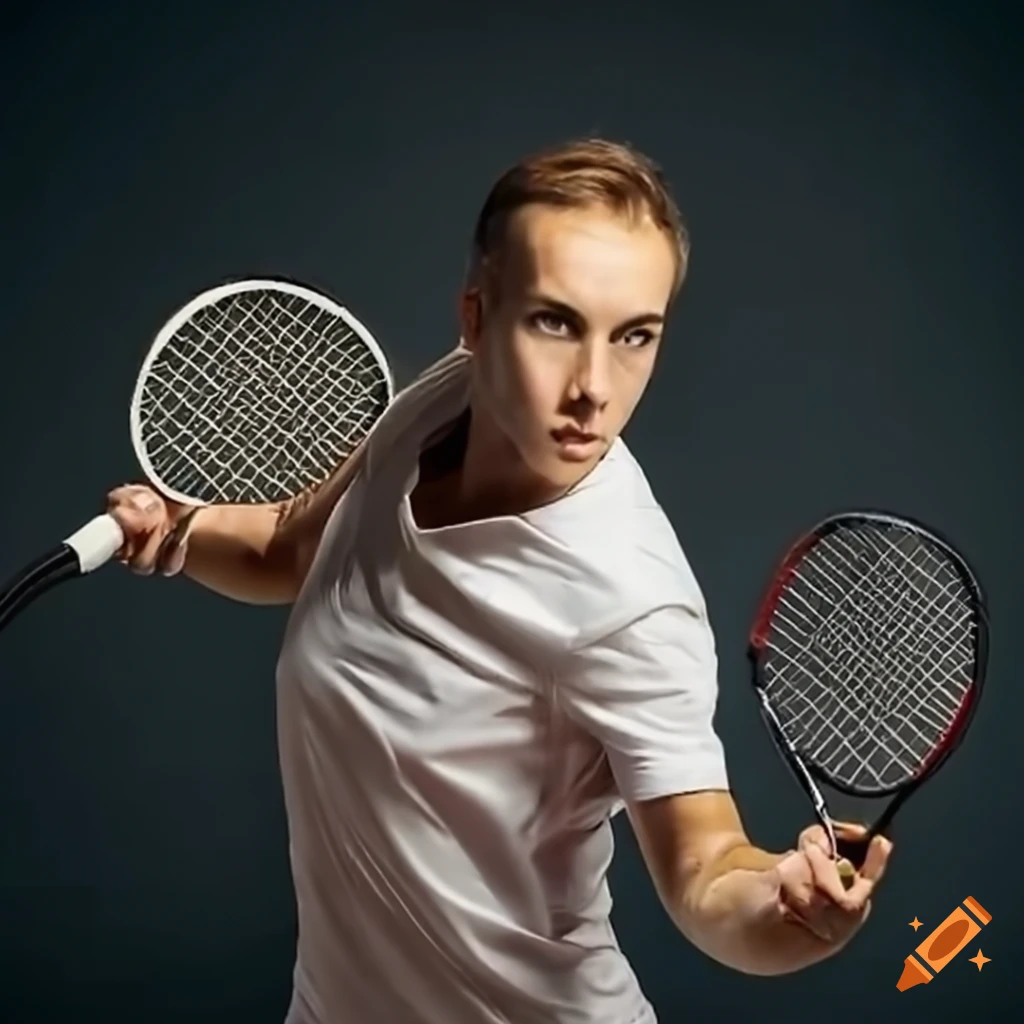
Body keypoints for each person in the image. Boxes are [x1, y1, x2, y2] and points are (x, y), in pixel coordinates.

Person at [106, 138, 892, 1024]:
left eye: (635, 336)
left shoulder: (629, 596)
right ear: (475, 320)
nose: (594, 388)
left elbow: (705, 868)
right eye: (555, 323)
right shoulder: (441, 402)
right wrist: (177, 531)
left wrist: (785, 910)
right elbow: (293, 548)